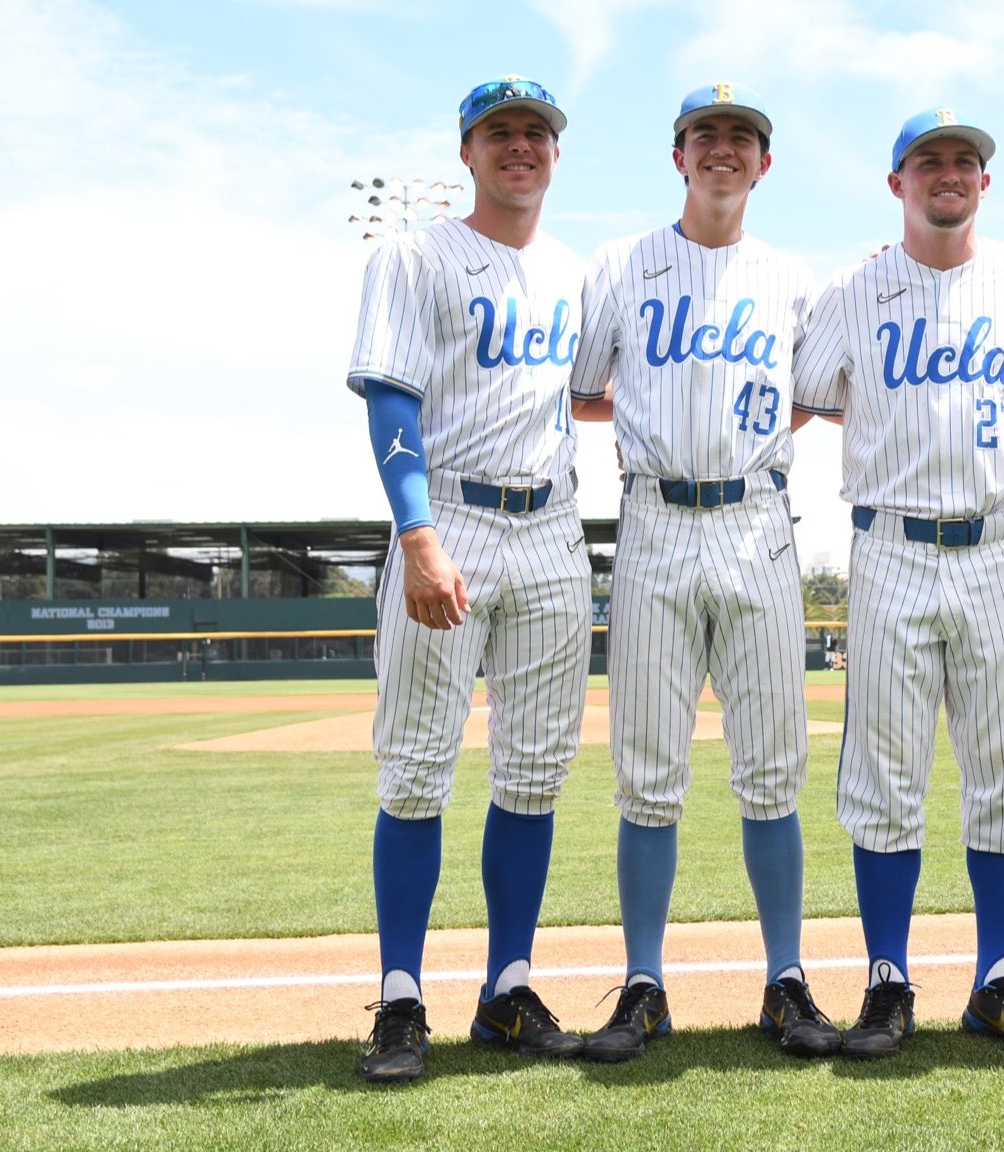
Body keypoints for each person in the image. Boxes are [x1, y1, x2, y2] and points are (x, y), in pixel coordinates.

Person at [791, 108, 1004, 1058]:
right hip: (891, 547)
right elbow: (791, 398)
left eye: (965, 162)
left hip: (998, 550)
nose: (948, 174)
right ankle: (888, 980)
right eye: (929, 162)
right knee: (885, 780)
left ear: (984, 183)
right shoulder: (855, 286)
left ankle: (996, 979)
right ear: (897, 182)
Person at [567, 83, 836, 1061]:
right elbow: (583, 391)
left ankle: (785, 981)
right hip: (652, 522)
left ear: (763, 164)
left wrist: (742, 438)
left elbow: (810, 396)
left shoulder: (790, 280)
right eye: (704, 136)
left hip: (757, 520)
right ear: (676, 155)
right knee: (648, 777)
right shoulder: (620, 265)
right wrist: (663, 426)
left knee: (771, 771)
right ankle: (644, 983)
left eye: (741, 137)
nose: (722, 149)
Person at [346, 76, 592, 1083]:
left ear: (556, 152)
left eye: (536, 132)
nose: (519, 147)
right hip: (448, 514)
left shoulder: (578, 273)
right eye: (500, 132)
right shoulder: (412, 254)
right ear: (467, 150)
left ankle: (506, 990)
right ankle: (401, 999)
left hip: (552, 528)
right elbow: (390, 401)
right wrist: (416, 537)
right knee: (415, 770)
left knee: (532, 775)